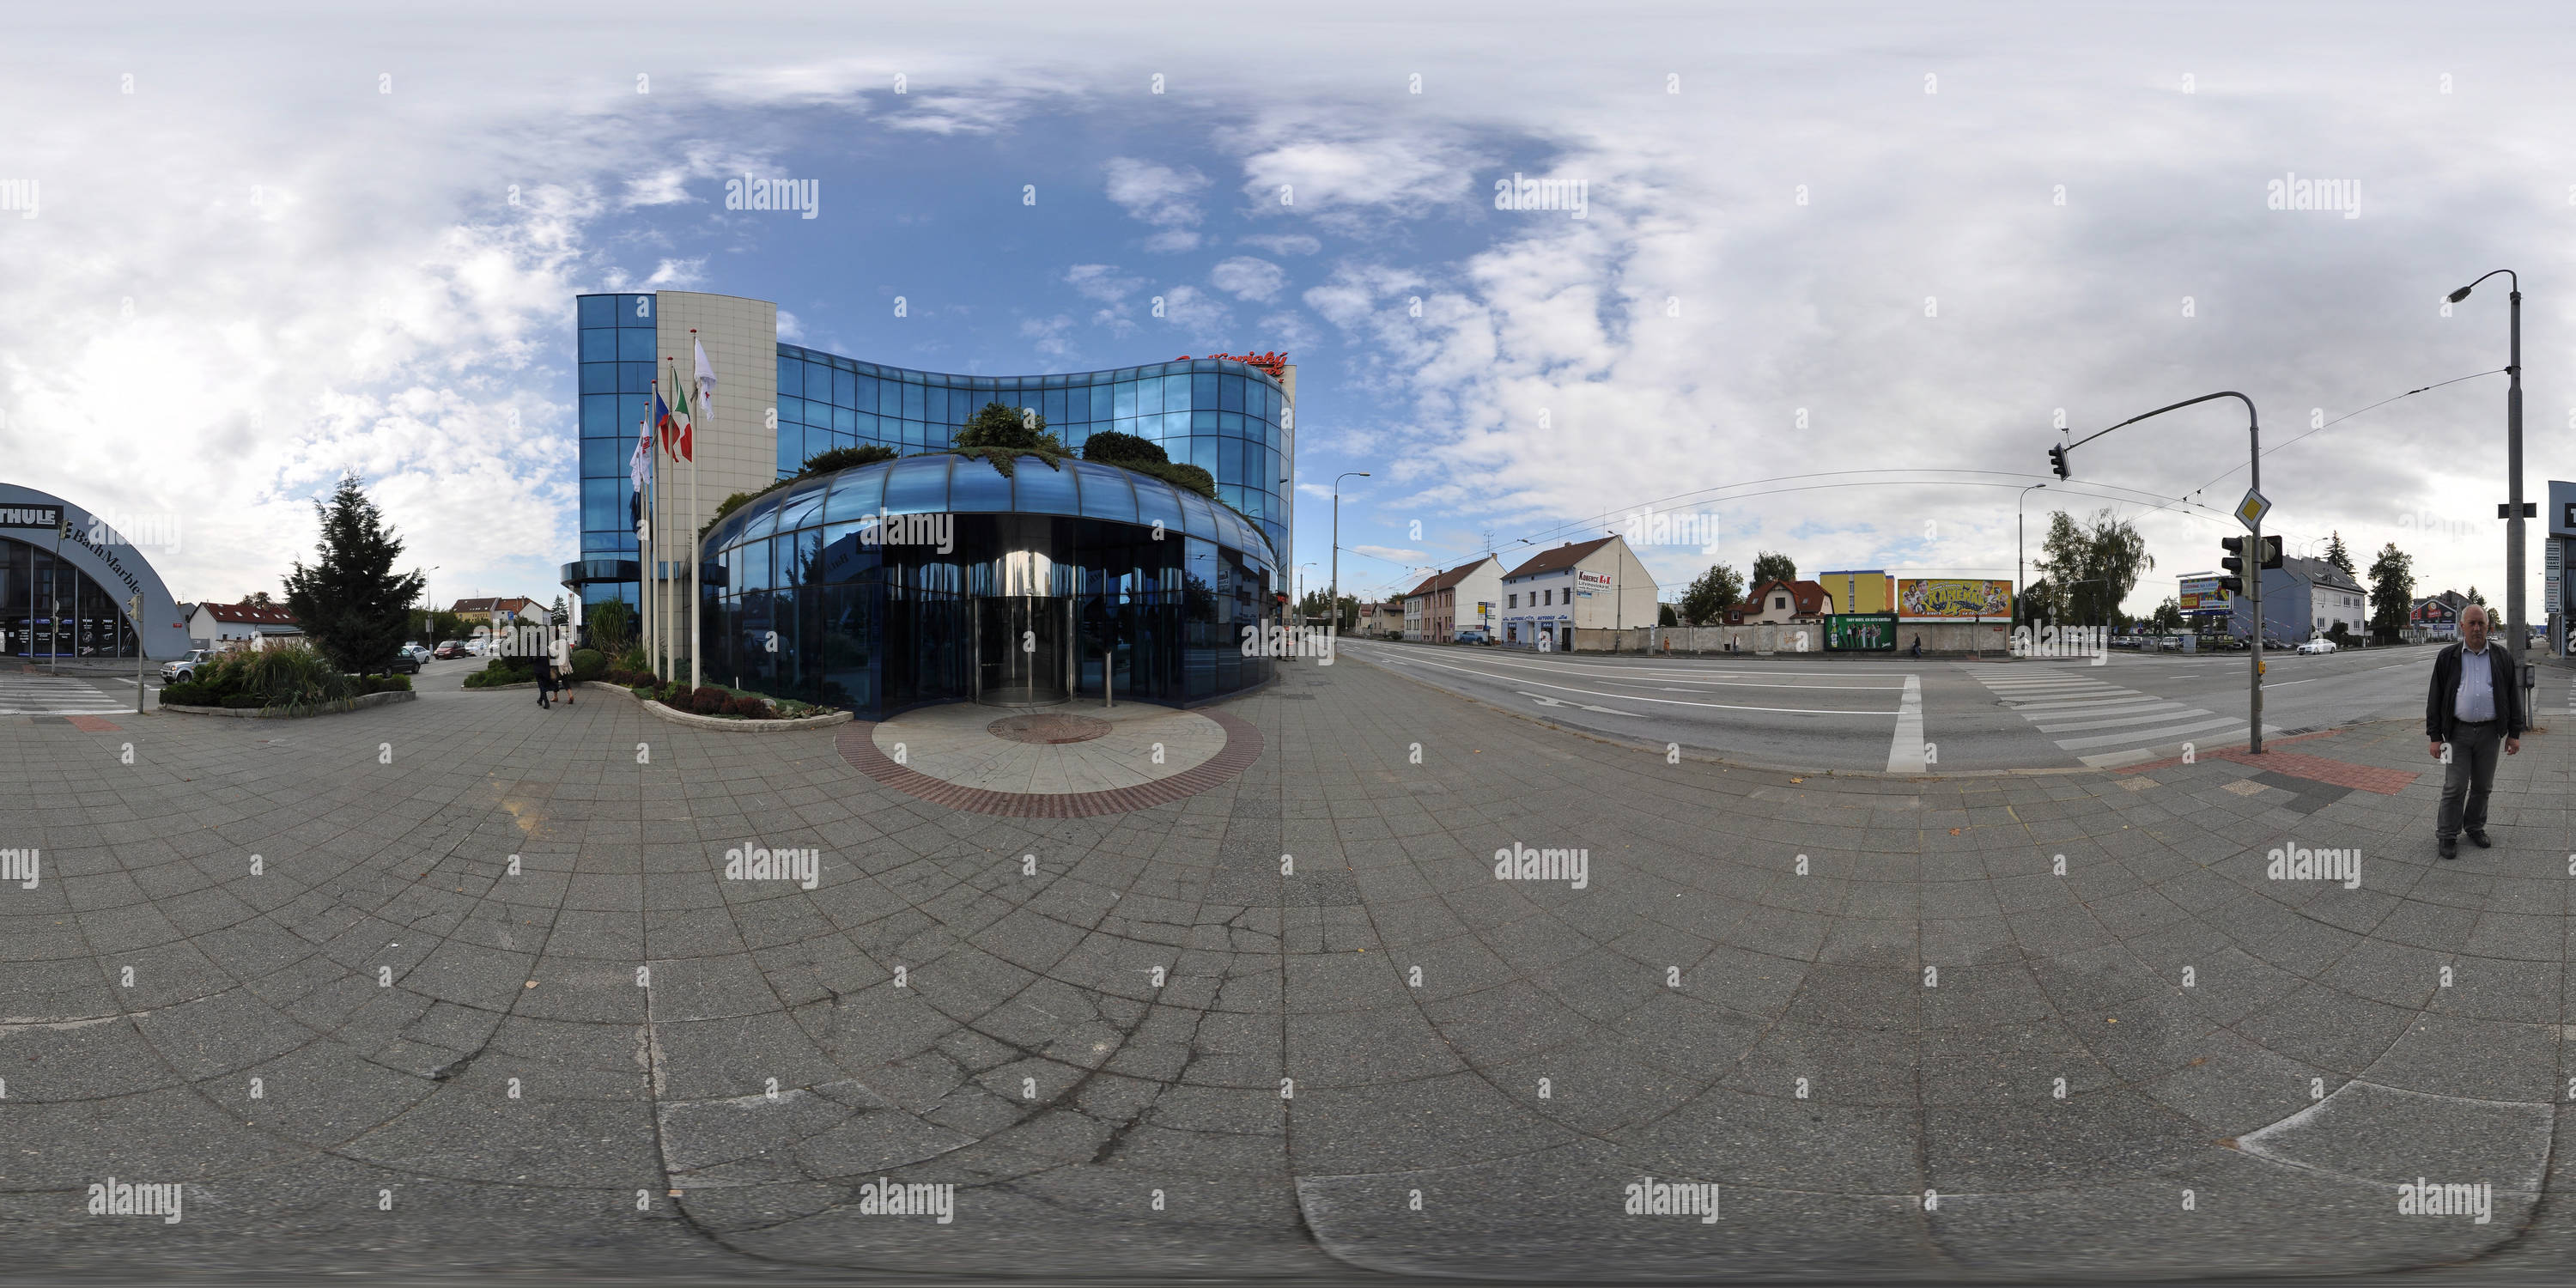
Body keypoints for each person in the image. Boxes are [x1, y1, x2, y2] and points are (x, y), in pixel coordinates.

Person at [2426, 604, 2522, 859]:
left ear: (2488, 626)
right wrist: (2435, 737)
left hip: (2490, 735)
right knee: (2454, 786)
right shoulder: (2448, 657)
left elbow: (2513, 697)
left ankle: (2475, 827)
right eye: (2472, 623)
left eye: (2481, 623)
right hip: (2455, 734)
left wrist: (2514, 733)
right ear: (2462, 626)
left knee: (2483, 786)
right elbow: (2435, 698)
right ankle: (2447, 834)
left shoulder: (2502, 657)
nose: (2477, 628)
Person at [550, 630, 575, 707]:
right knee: (565, 680)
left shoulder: (553, 643)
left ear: (554, 636)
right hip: (565, 664)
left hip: (556, 665)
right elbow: (571, 652)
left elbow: (552, 654)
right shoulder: (565, 642)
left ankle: (555, 697)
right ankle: (570, 695)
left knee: (554, 681)